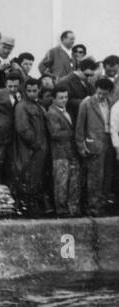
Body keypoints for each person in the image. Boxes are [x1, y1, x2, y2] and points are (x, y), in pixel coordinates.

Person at [12, 80, 51, 216]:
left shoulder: (38, 105)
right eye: (29, 91)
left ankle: (35, 208)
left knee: (36, 178)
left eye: (35, 90)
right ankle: (28, 209)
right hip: (30, 150)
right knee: (29, 179)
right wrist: (36, 144)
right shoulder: (22, 106)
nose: (32, 93)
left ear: (39, 89)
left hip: (40, 149)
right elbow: (23, 129)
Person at [78, 78, 114, 216]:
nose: (100, 96)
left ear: (109, 93)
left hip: (108, 141)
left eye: (103, 94)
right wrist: (81, 146)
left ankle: (102, 205)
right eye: (98, 93)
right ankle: (92, 207)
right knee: (94, 177)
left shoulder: (111, 103)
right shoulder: (87, 103)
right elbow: (80, 127)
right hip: (93, 143)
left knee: (107, 175)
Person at [45, 86, 81, 216]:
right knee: (62, 183)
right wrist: (75, 133)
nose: (64, 100)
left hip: (70, 152)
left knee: (73, 182)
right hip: (60, 154)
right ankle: (62, 210)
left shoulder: (66, 111)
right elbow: (55, 134)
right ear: (53, 99)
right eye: (60, 98)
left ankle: (73, 209)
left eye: (66, 97)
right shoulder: (52, 113)